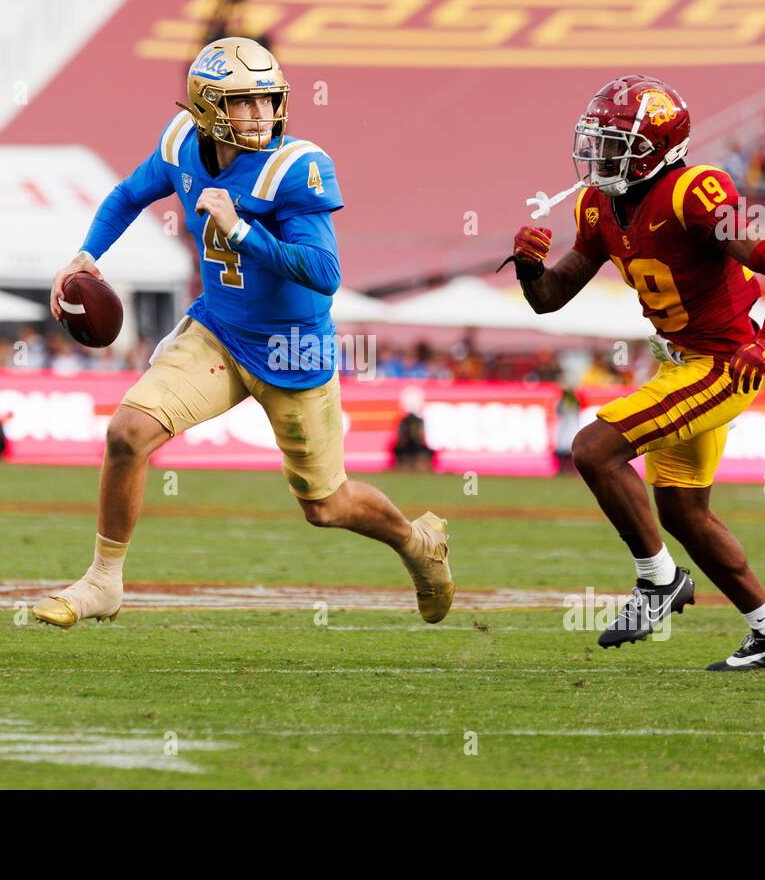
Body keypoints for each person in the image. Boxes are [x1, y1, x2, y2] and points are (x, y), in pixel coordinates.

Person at [36, 37, 453, 629]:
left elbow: (326, 273)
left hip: (293, 350)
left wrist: (243, 232)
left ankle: (417, 544)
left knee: (326, 505)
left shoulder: (296, 166)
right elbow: (129, 195)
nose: (262, 115)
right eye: (244, 103)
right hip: (220, 334)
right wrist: (85, 255)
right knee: (129, 432)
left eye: (268, 100)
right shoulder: (182, 143)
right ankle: (104, 580)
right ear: (207, 107)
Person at [502, 75, 765, 671]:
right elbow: (553, 296)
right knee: (685, 515)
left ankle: (656, 582)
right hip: (680, 360)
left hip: (723, 360)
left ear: (657, 146)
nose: (601, 154)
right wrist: (528, 268)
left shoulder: (694, 192)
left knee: (592, 448)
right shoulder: (599, 204)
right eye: (598, 141)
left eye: (616, 143)